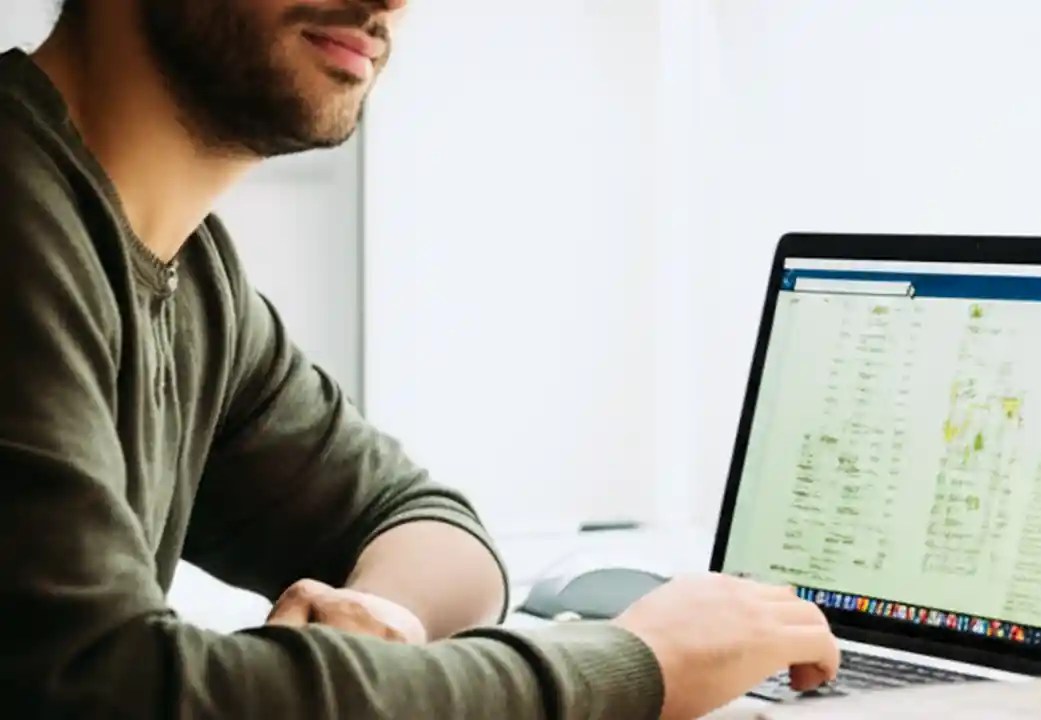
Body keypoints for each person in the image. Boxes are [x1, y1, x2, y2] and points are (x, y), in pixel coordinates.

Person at [0, 0, 840, 717]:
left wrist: (382, 624)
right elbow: (102, 689)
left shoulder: (197, 279)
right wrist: (636, 666)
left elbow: (427, 521)